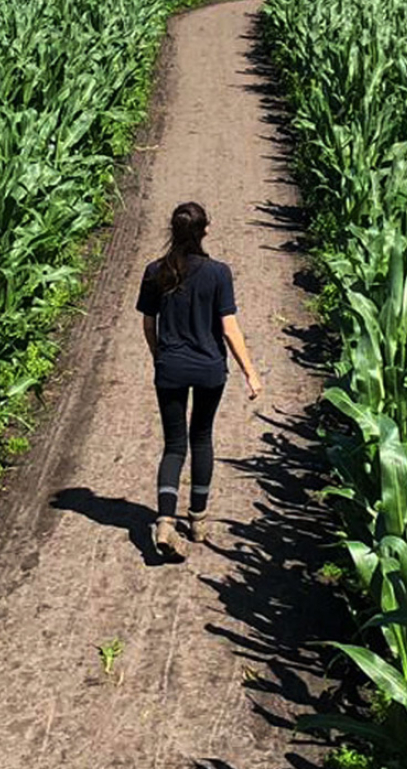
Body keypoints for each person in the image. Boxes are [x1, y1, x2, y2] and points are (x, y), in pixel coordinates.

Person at [136, 201, 262, 558]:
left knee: (174, 445)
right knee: (202, 437)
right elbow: (229, 329)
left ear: (172, 231)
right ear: (205, 230)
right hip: (209, 370)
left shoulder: (155, 271)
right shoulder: (218, 273)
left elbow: (148, 323)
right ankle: (198, 520)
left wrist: (159, 355)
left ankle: (164, 522)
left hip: (170, 369)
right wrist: (250, 373)